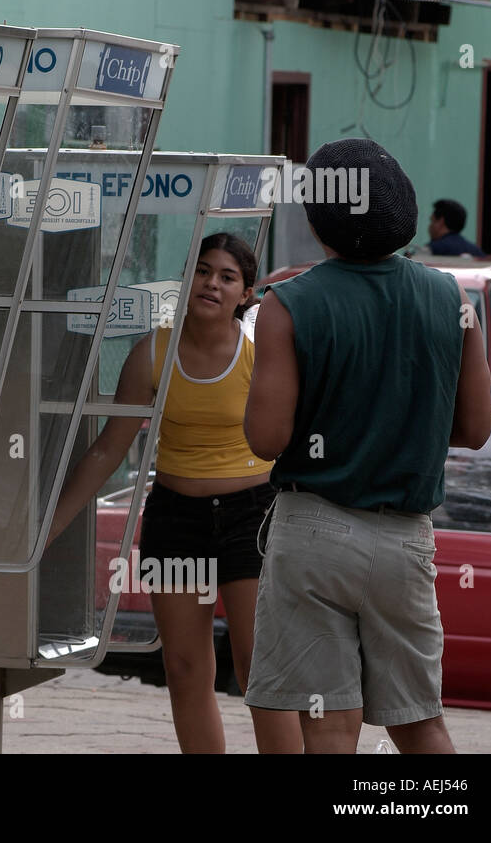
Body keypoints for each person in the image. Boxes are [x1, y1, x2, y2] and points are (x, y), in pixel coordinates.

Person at [244, 139, 491, 753]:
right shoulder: (450, 298)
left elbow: (266, 439)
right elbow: (473, 430)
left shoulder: (288, 305)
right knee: (419, 720)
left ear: (316, 217)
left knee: (329, 721)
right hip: (405, 538)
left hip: (314, 531)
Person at [48, 233, 303, 754]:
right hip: (175, 519)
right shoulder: (152, 352)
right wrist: (47, 528)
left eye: (227, 277)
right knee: (185, 669)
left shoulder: (261, 353)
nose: (212, 283)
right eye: (203, 271)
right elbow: (106, 451)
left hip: (251, 520)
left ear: (245, 293)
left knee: (260, 670)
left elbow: (294, 440)